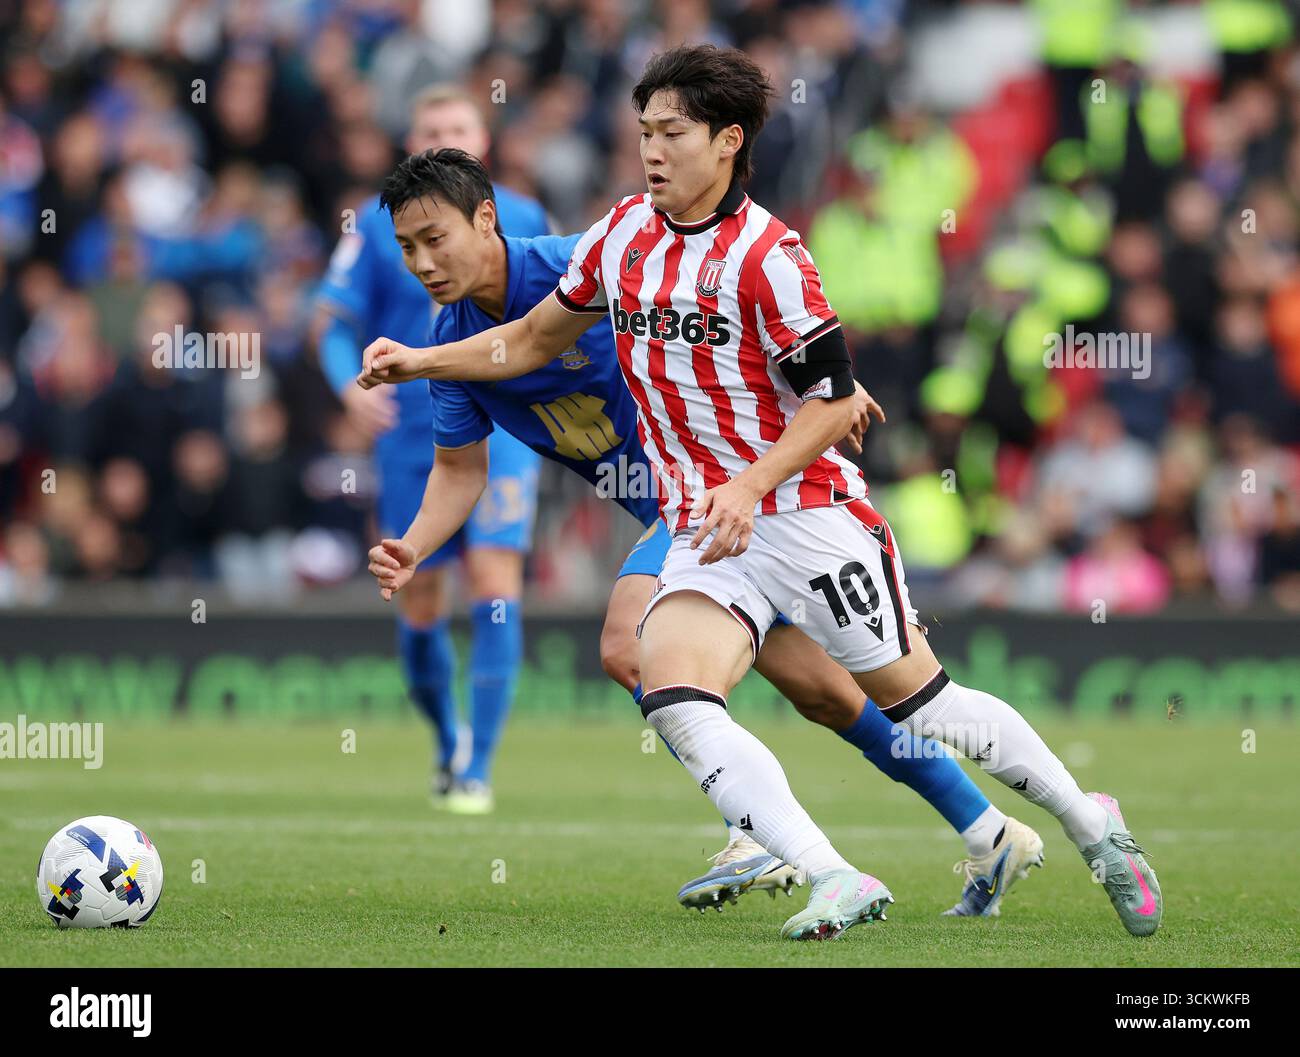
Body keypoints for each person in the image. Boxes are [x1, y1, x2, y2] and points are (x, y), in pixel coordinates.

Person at [359, 46, 1162, 941]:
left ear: (727, 141)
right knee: (670, 681)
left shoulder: (772, 255)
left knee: (921, 702)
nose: (651, 151)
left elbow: (833, 393)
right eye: (643, 133)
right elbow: (533, 342)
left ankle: (1089, 820)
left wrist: (766, 465)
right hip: (706, 522)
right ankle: (829, 870)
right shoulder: (618, 236)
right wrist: (418, 362)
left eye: (671, 133)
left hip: (804, 513)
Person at [314, 85, 548, 814]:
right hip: (416, 431)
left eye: (459, 128)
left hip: (506, 422)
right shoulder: (376, 227)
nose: (445, 137)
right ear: (410, 141)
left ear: (483, 138)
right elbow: (329, 320)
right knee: (418, 594)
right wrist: (348, 389)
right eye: (431, 129)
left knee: (494, 576)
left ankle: (478, 763)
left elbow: (559, 315)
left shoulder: (526, 215)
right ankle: (447, 739)